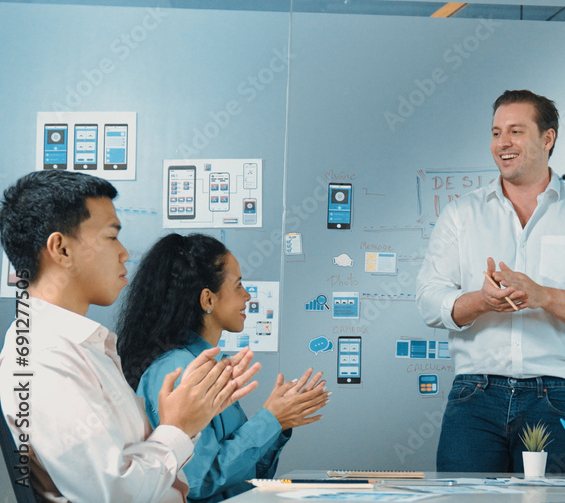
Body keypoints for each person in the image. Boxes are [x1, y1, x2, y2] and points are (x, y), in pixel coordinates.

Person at [0, 170, 259, 502]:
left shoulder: (85, 349)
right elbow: (117, 494)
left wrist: (186, 421)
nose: (124, 253)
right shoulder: (47, 359)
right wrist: (178, 428)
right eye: (111, 236)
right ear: (61, 249)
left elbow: (146, 472)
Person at [416, 90, 565, 473]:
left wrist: (542, 295)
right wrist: (481, 301)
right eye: (496, 133)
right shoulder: (461, 214)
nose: (503, 143)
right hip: (474, 396)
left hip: (554, 397)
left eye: (515, 131)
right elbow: (429, 300)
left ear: (547, 139)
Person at [117, 233, 330, 503]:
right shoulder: (177, 369)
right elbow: (197, 481)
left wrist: (279, 421)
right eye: (238, 285)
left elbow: (246, 474)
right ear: (208, 299)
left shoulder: (209, 365)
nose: (248, 295)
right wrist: (270, 419)